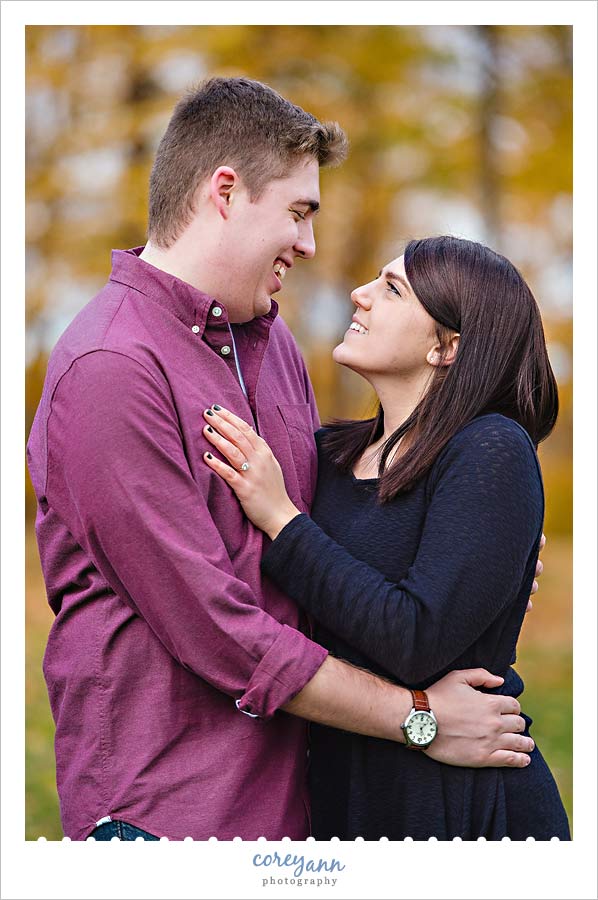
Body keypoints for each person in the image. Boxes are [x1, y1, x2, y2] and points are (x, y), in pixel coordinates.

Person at [27, 78, 538, 843]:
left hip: (301, 811)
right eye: (299, 213)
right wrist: (420, 720)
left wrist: (477, 566)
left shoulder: (272, 349)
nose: (309, 245)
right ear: (225, 192)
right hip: (168, 817)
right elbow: (217, 628)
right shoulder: (111, 366)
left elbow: (334, 532)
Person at [202, 235, 570, 840]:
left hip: (456, 804)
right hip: (338, 792)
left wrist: (282, 521)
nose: (359, 294)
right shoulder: (329, 454)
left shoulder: (489, 449)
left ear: (446, 347)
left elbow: (415, 640)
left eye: (392, 289)